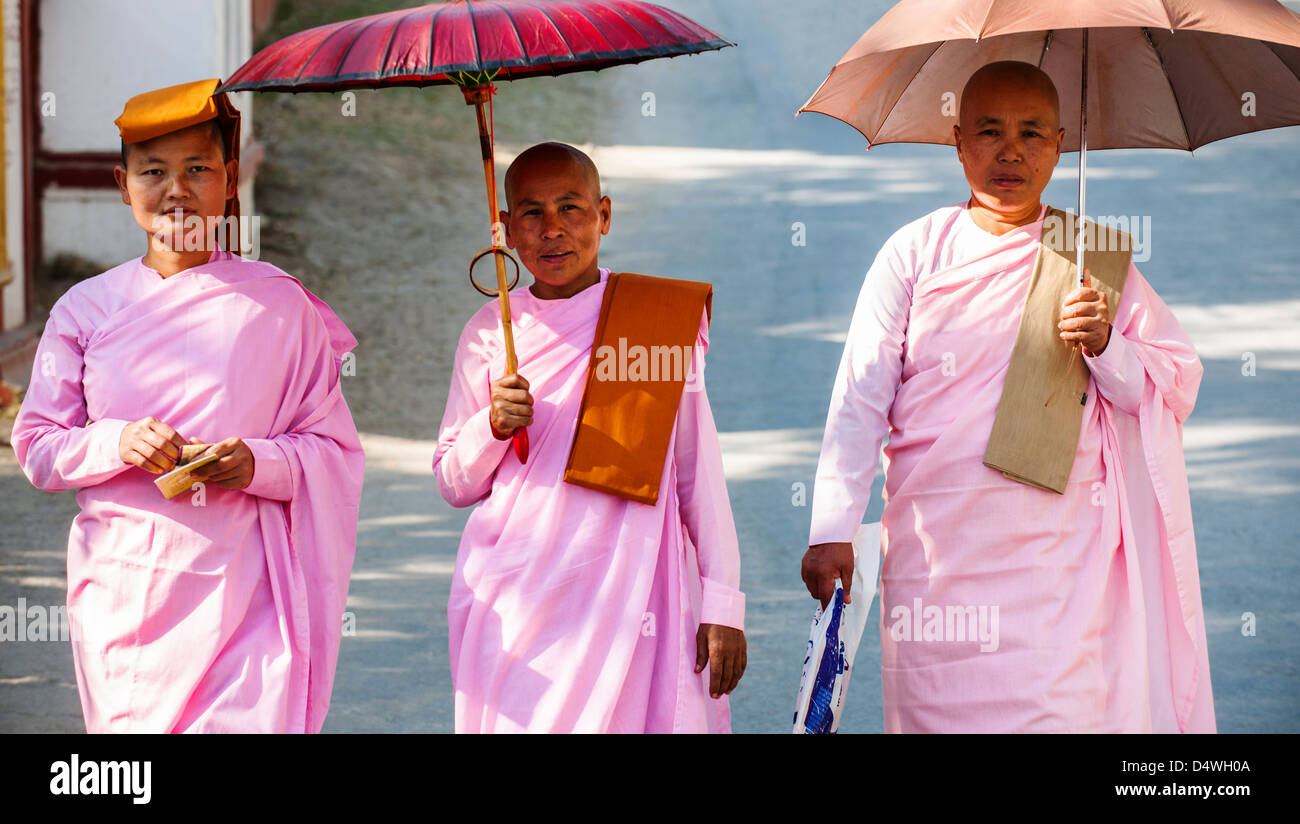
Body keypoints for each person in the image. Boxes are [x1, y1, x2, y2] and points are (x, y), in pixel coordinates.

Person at [801, 62, 1216, 733]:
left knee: (1058, 710)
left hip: (1058, 560)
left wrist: (1106, 343)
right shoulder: (912, 254)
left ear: (1059, 143)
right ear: (958, 140)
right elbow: (860, 398)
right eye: (990, 132)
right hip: (937, 554)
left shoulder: (1087, 256)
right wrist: (831, 529)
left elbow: (1171, 385)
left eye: (1031, 134)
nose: (1011, 151)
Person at [11, 79, 364, 733]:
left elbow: (332, 451)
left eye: (197, 169)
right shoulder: (84, 311)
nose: (176, 189)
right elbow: (36, 444)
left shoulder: (280, 305)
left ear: (230, 180)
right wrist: (112, 442)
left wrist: (255, 462)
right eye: (154, 171)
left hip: (247, 592)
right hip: (127, 595)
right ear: (123, 184)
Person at [433, 142, 746, 733]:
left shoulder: (655, 317)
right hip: (517, 594)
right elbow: (453, 481)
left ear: (604, 215)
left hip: (635, 598)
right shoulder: (488, 332)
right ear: (505, 228)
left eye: (570, 208)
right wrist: (491, 428)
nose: (552, 231)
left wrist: (723, 602)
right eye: (531, 213)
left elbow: (696, 474)